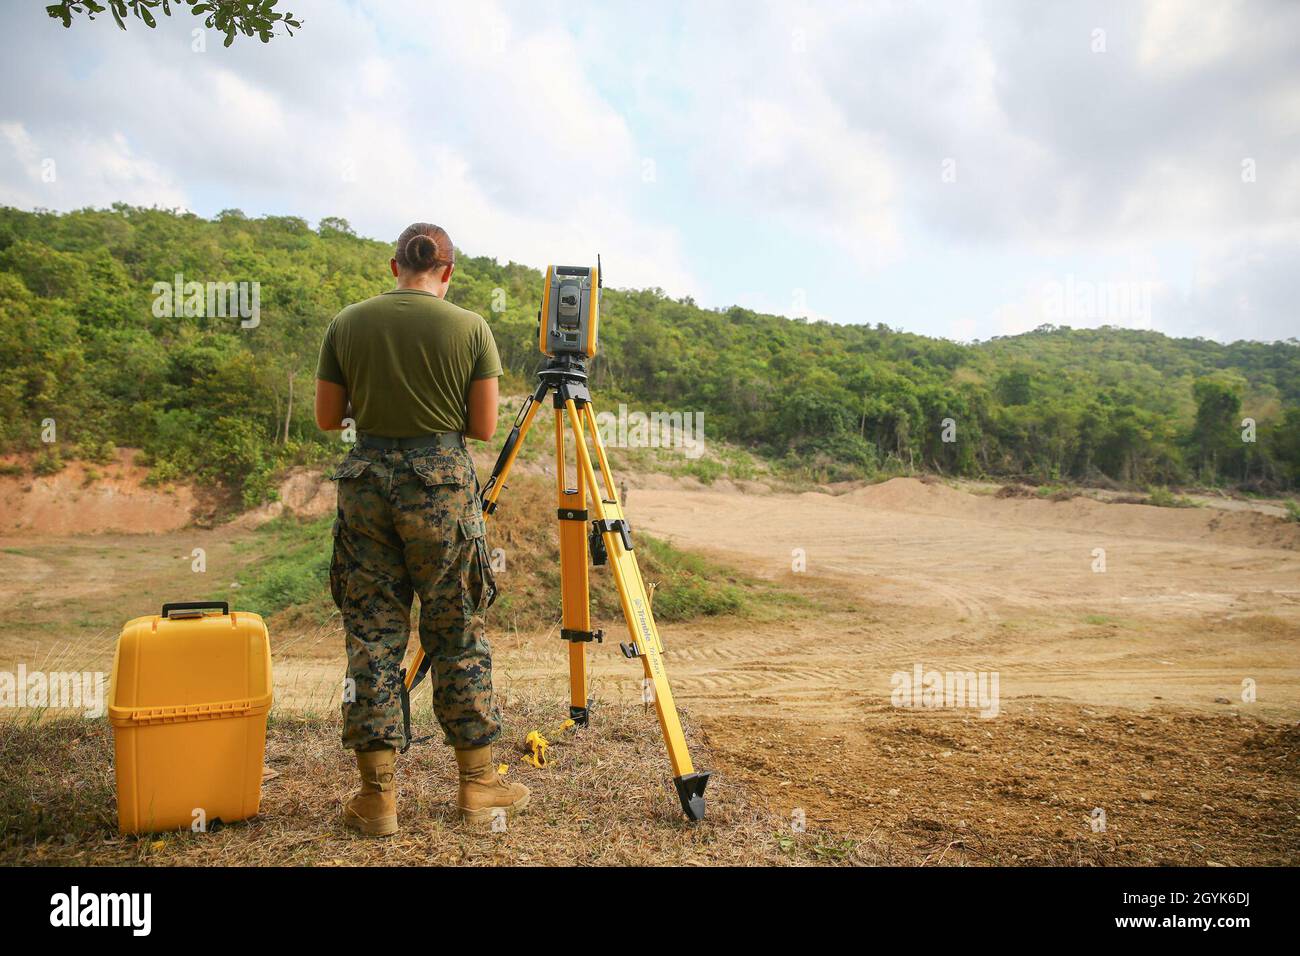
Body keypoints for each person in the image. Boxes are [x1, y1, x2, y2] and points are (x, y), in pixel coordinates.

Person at [314, 221, 527, 836]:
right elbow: (483, 427)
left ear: (394, 266)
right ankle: (478, 787)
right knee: (455, 630)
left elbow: (331, 418)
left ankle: (377, 801)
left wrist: (377, 401)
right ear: (448, 270)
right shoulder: (470, 328)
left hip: (366, 484)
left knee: (374, 635)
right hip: (440, 486)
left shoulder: (346, 323)